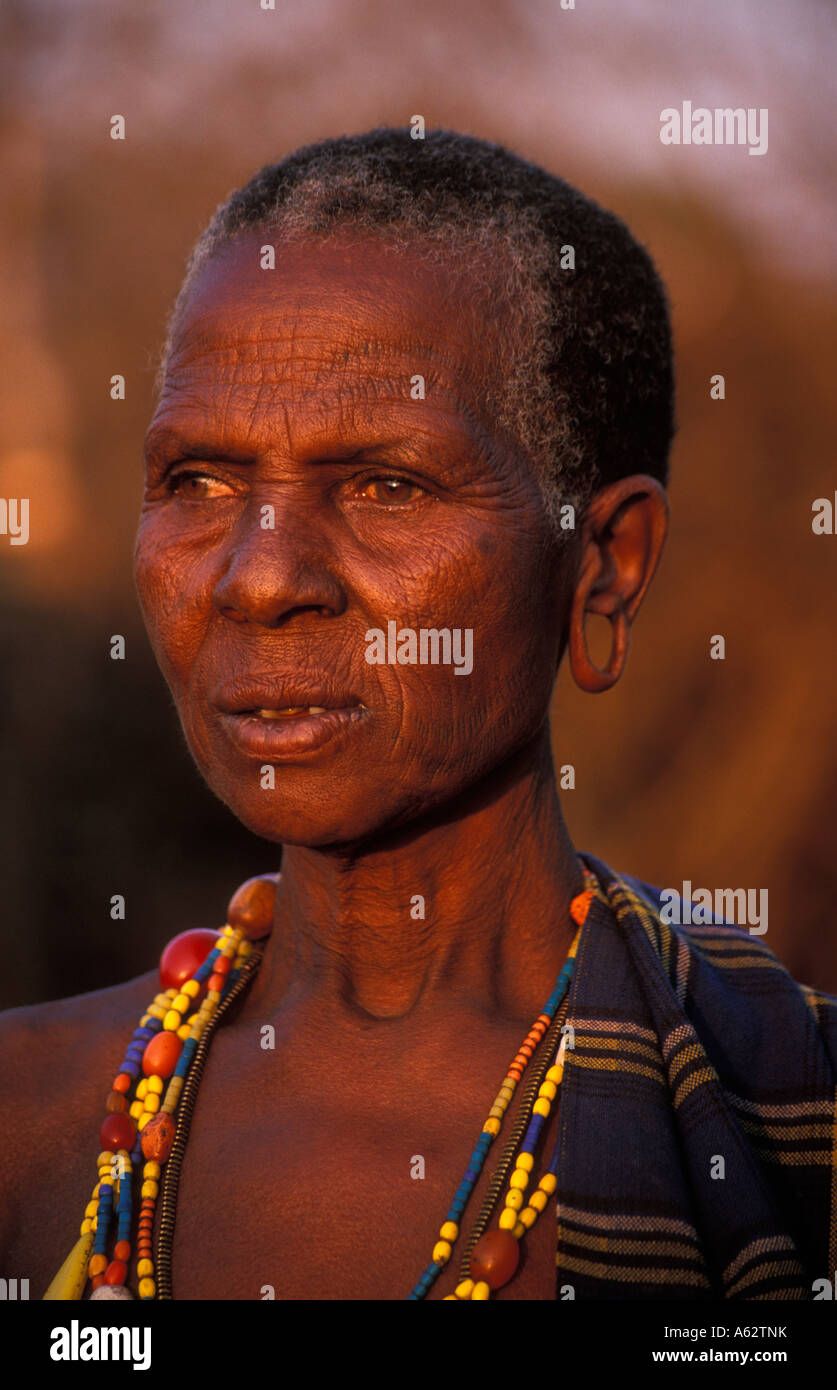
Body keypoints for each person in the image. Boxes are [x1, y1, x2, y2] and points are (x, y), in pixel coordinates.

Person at [1, 128, 835, 1302]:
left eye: (388, 484)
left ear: (603, 563)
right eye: (199, 481)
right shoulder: (27, 1126)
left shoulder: (792, 1118)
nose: (258, 577)